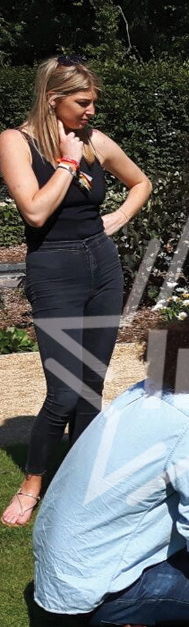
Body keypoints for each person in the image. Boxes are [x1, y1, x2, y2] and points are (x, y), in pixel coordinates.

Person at [32, 308, 189, 627]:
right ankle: (116, 612)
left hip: (60, 565)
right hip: (92, 585)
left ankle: (122, 607)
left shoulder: (145, 391)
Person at [1, 55, 151, 527]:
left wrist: (119, 218)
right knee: (63, 392)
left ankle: (83, 480)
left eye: (93, 103)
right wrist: (67, 161)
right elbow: (36, 213)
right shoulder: (15, 142)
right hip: (54, 271)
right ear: (53, 99)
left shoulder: (96, 141)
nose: (90, 111)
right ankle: (33, 482)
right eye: (82, 102)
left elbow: (141, 182)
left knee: (90, 388)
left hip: (102, 268)